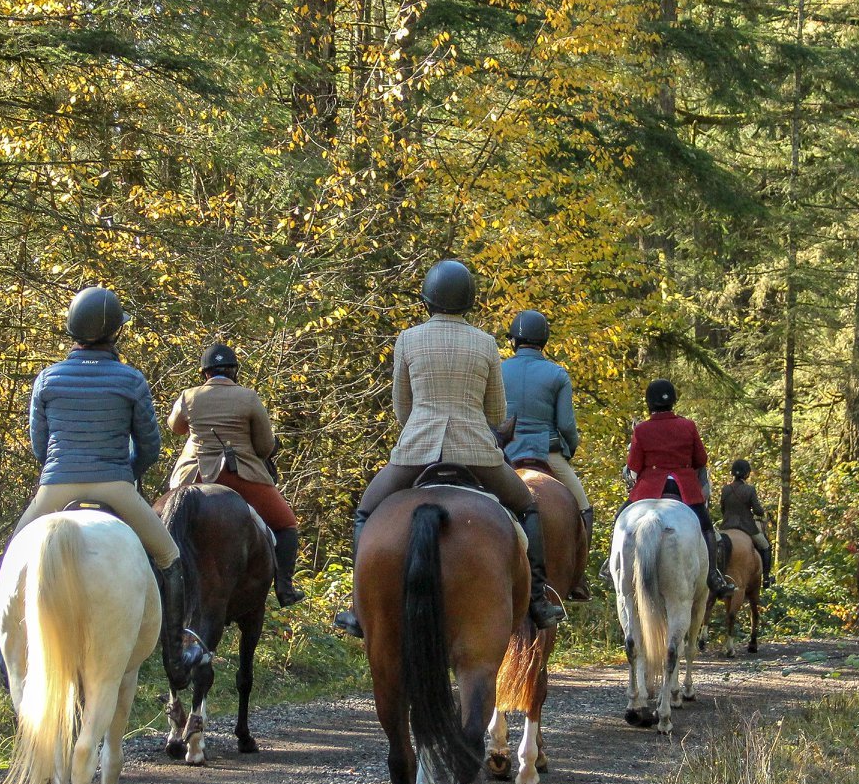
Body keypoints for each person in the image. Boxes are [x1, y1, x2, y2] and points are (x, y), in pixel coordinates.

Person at [334, 260, 566, 638]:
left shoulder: (408, 339)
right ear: (469, 301)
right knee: (528, 508)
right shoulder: (485, 342)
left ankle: (359, 607)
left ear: (427, 299)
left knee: (365, 511)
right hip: (475, 451)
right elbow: (495, 412)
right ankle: (538, 599)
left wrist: (421, 428)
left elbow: (401, 407)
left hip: (416, 451)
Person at [0, 287, 180, 670]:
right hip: (116, 486)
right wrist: (127, 476)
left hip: (56, 488)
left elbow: (39, 447)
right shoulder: (131, 380)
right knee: (170, 556)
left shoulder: (47, 379)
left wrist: (64, 469)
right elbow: (150, 447)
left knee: (12, 557)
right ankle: (178, 650)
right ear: (116, 332)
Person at [167, 341, 304, 607]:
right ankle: (285, 587)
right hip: (240, 476)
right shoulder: (249, 397)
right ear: (234, 372)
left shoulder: (189, 396)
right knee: (286, 525)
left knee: (165, 519)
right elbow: (265, 446)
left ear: (205, 373)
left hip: (196, 476)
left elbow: (176, 427)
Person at [499, 309, 593, 599]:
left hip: (504, 457)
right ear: (544, 342)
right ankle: (577, 580)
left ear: (514, 341)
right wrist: (570, 447)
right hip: (547, 453)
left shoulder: (499, 369)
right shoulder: (557, 374)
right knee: (583, 508)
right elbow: (566, 424)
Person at [624, 380, 735, 598]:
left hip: (649, 489)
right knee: (706, 529)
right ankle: (713, 575)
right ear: (673, 400)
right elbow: (701, 459)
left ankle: (612, 565)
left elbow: (634, 466)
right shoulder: (688, 426)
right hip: (684, 488)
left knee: (621, 519)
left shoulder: (642, 429)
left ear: (649, 403)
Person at [718, 459, 776, 587]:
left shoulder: (725, 489)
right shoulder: (750, 490)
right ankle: (766, 578)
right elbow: (758, 511)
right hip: (746, 526)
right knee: (766, 546)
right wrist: (761, 512)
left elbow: (722, 508)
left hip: (726, 526)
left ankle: (715, 575)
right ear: (747, 474)